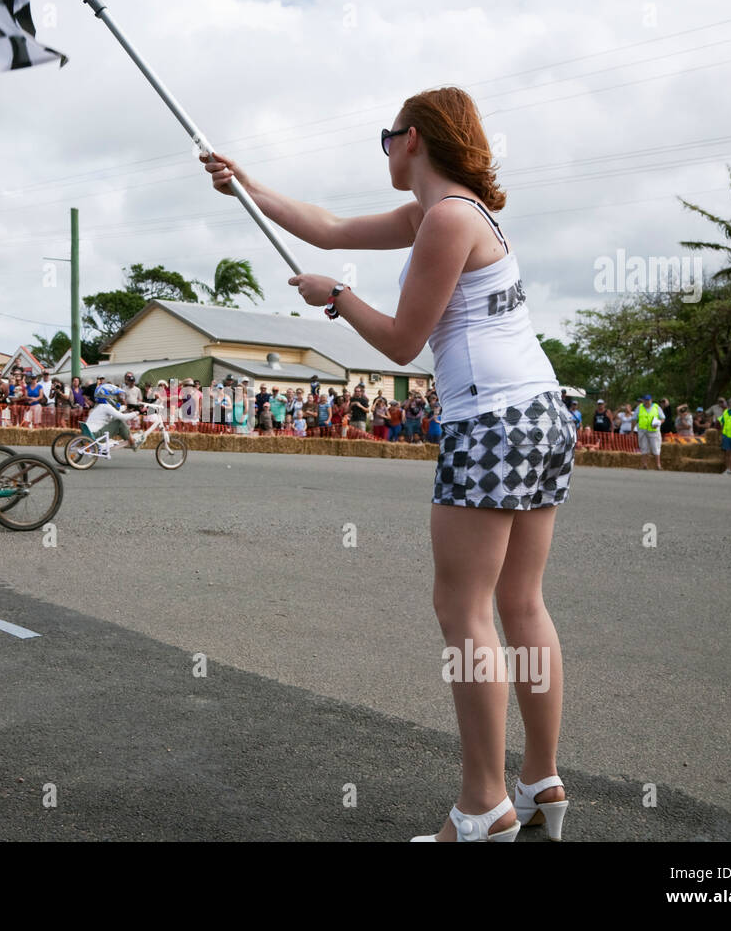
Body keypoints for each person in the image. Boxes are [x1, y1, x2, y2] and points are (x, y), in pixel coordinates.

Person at [205, 85, 575, 841]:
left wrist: (336, 294)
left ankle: (484, 804)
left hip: (491, 419)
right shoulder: (450, 213)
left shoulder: (444, 220)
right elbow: (331, 224)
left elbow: (404, 343)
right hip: (541, 412)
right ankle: (541, 779)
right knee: (522, 604)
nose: (383, 148)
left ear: (414, 139)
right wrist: (246, 185)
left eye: (386, 135)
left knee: (463, 610)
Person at [82, 382, 140, 449]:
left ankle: (129, 438)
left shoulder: (99, 406)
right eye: (112, 396)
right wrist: (136, 413)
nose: (114, 398)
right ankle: (132, 443)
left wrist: (124, 407)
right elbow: (123, 417)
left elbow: (113, 413)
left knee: (115, 421)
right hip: (95, 436)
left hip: (89, 435)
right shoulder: (106, 407)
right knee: (119, 422)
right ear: (106, 396)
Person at [635, 395, 664, 469]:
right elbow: (634, 418)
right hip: (642, 430)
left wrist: (658, 423)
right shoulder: (639, 407)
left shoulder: (656, 407)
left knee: (656, 448)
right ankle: (644, 465)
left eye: (648, 400)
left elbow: (663, 418)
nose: (647, 402)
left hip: (653, 431)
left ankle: (658, 465)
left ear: (651, 400)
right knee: (644, 448)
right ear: (643, 400)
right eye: (645, 400)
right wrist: (632, 430)